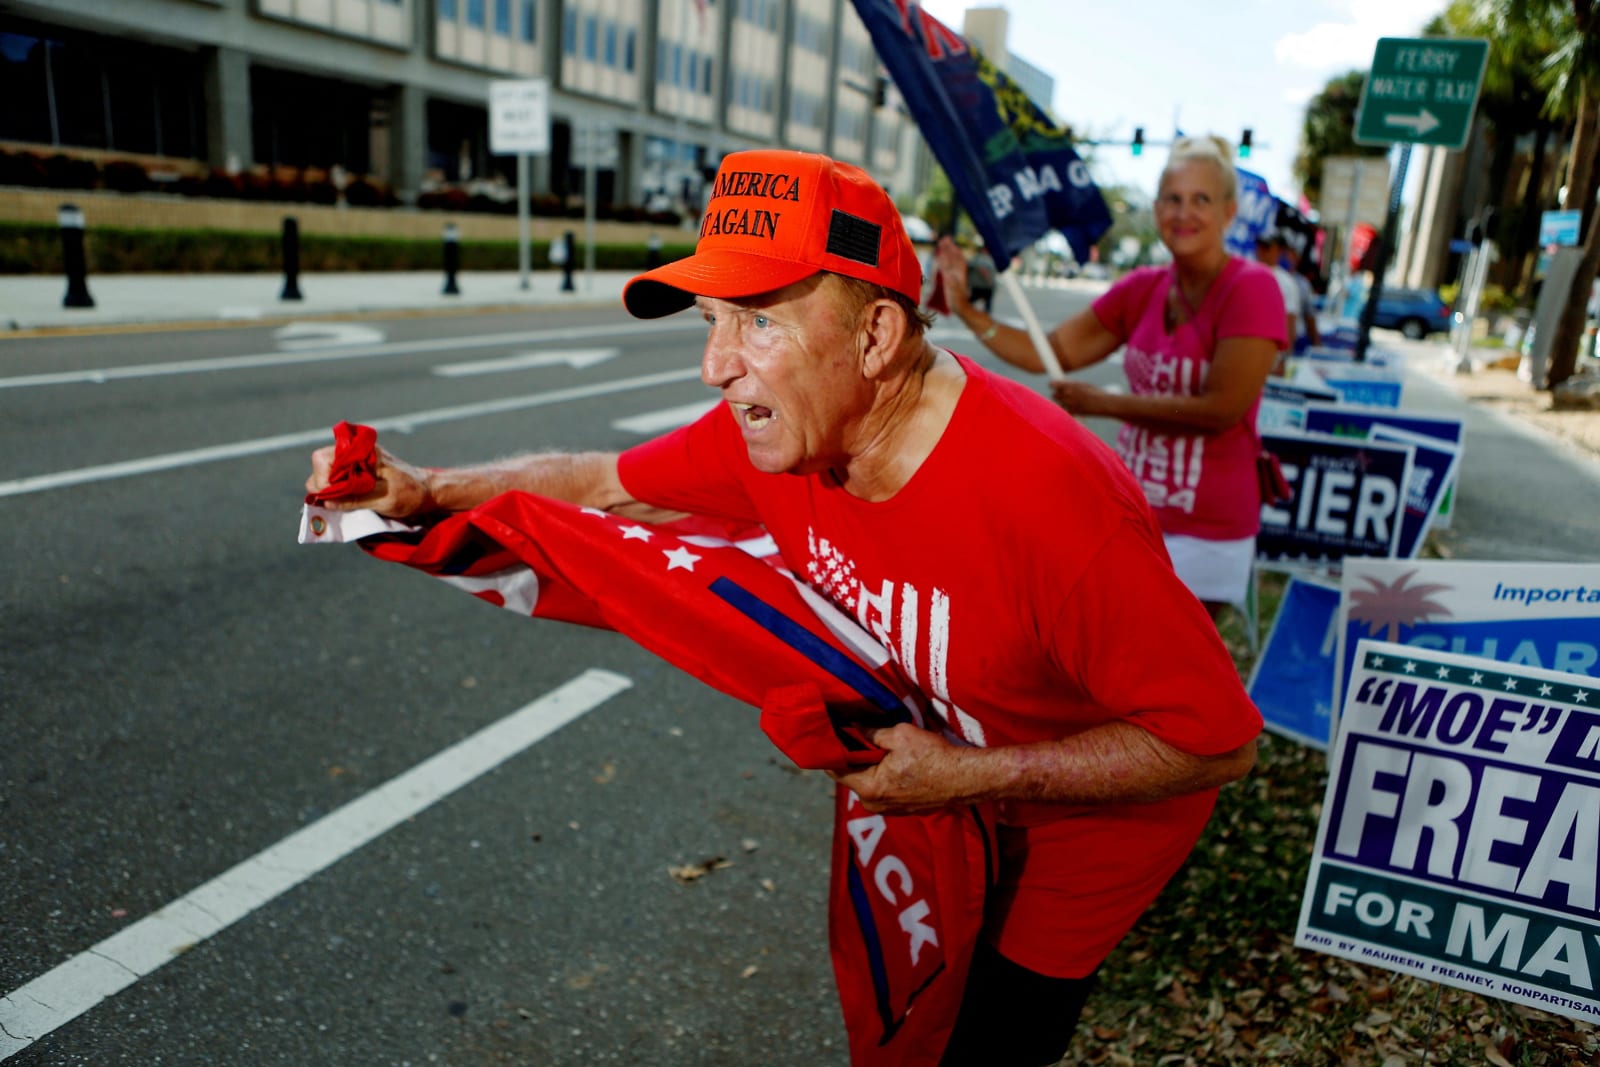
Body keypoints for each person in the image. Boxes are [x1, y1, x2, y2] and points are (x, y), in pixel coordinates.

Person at [307, 148, 1261, 1065]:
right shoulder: (786, 428)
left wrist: (973, 774)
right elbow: (602, 481)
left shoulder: (1053, 508)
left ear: (876, 335)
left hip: (1084, 819)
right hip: (949, 773)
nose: (716, 366)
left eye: (758, 321)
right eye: (709, 321)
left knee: (989, 1039)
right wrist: (425, 489)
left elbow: (1216, 741)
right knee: (904, 1013)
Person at [934, 134, 1286, 621]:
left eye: (1201, 200)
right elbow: (1052, 351)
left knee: (1162, 669)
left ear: (1228, 213)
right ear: (1156, 208)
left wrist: (1102, 403)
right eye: (1173, 199)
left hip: (1207, 531)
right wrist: (969, 313)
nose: (1184, 213)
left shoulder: (1253, 288)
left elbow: (1222, 409)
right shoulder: (1142, 288)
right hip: (1132, 516)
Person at [1253, 229, 1301, 369]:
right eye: (1260, 246)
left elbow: (1289, 322)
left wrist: (1283, 359)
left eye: (1267, 247)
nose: (1261, 251)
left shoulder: (1286, 282)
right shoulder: (1245, 274)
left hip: (1270, 357)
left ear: (1278, 251)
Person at [965, 243, 997, 313]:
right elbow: (982, 269)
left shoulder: (980, 257)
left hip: (982, 286)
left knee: (984, 303)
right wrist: (989, 280)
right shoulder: (982, 257)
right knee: (984, 303)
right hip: (982, 285)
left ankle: (985, 316)